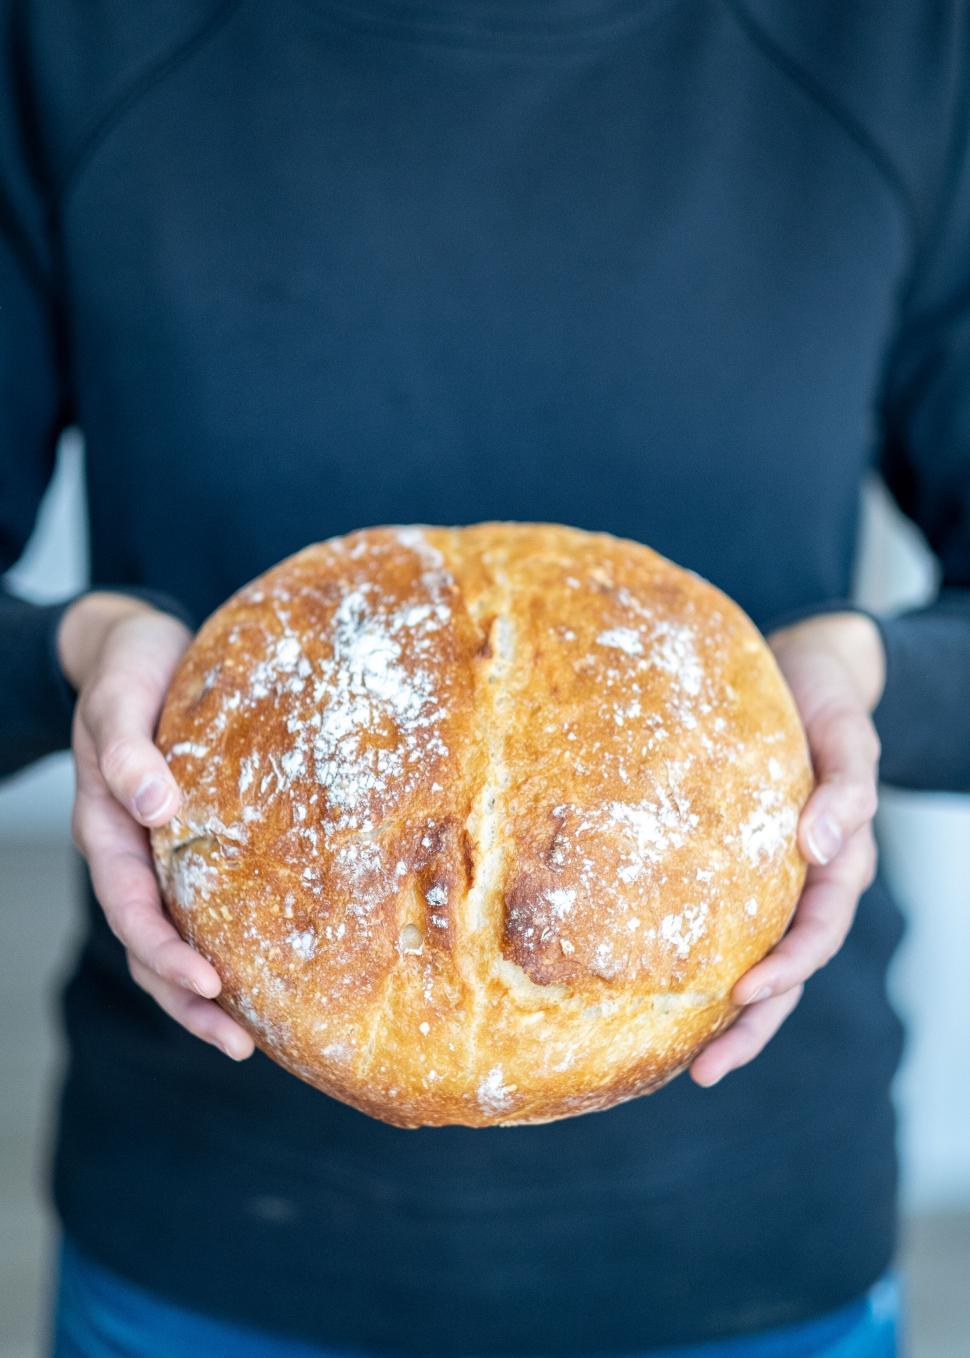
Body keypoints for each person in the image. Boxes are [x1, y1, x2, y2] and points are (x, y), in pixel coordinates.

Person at [3, 1, 968, 1353]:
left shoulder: (900, 48)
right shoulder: (76, 39)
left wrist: (866, 681)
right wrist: (76, 654)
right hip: (209, 1242)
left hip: (741, 1248)